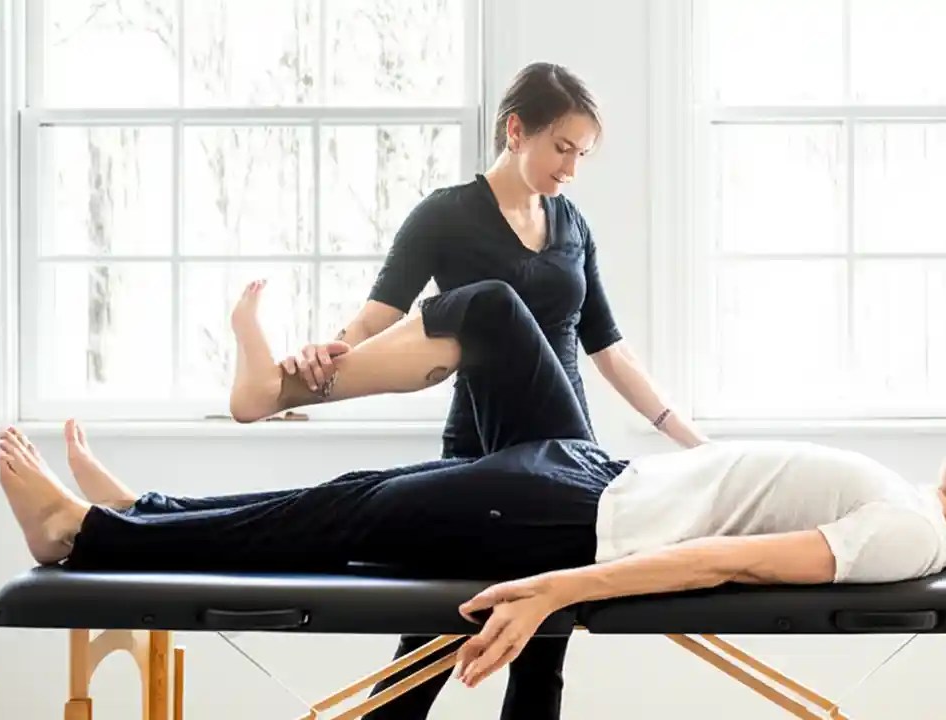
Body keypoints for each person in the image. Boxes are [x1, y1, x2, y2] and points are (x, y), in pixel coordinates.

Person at [0, 278, 946, 695]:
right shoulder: (905, 505)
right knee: (490, 310)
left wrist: (557, 588)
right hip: (596, 475)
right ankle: (150, 500)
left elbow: (732, 562)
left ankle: (88, 537)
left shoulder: (910, 537)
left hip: (573, 520)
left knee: (349, 510)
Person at [279, 61, 707, 719]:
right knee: (431, 634)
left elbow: (610, 350)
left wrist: (693, 442)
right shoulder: (446, 215)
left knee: (543, 651)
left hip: (565, 456)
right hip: (479, 449)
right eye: (561, 147)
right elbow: (377, 318)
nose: (571, 168)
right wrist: (320, 361)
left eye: (582, 154)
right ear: (516, 129)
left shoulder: (573, 225)